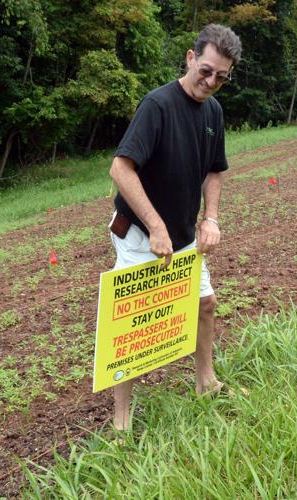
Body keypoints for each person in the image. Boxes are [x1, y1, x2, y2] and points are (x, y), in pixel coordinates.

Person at [108, 24, 242, 431]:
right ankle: (122, 422)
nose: (210, 81)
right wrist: (155, 226)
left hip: (183, 234)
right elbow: (120, 168)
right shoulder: (158, 105)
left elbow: (214, 172)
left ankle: (207, 383)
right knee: (131, 324)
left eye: (221, 76)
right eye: (205, 70)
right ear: (189, 58)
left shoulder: (213, 112)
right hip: (138, 236)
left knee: (204, 303)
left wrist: (211, 218)